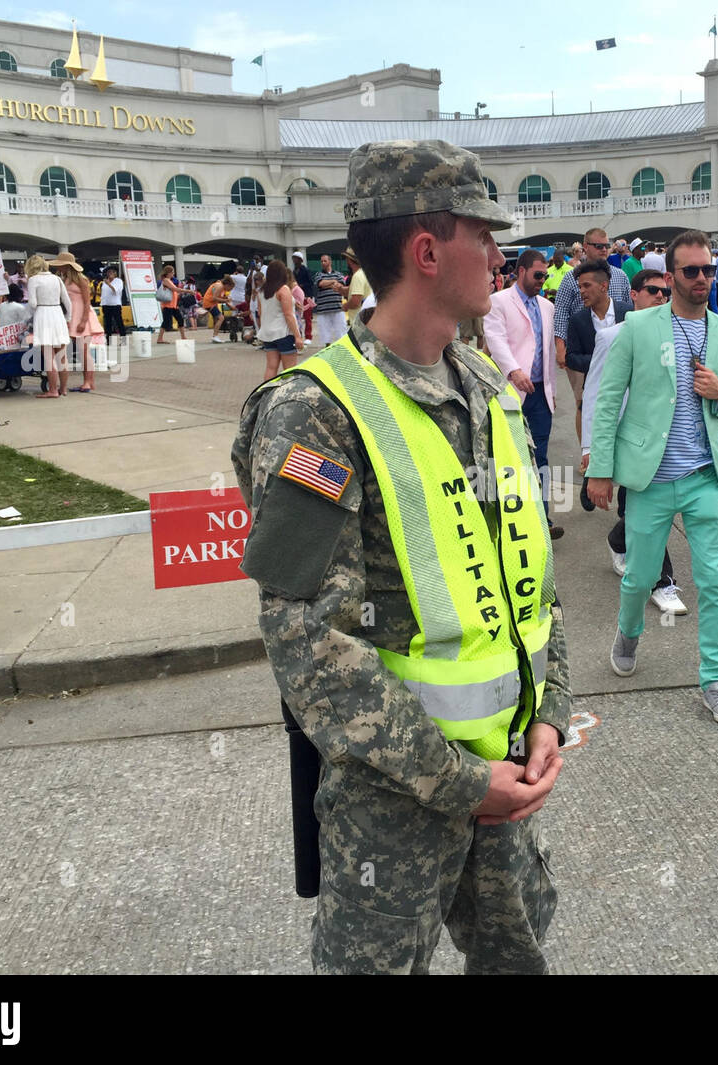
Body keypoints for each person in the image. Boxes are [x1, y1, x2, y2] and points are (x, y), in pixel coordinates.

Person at [232, 138, 569, 976]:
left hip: (509, 773)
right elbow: (309, 644)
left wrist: (551, 711)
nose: (500, 254)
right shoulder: (316, 412)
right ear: (426, 250)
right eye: (482, 234)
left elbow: (531, 585)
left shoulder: (487, 387)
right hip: (395, 806)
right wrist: (461, 782)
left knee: (516, 958)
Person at [586, 230, 718, 725]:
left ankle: (715, 679)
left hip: (704, 475)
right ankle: (629, 630)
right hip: (650, 478)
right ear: (672, 276)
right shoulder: (637, 328)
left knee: (713, 579)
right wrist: (600, 469)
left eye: (708, 270)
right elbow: (607, 400)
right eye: (691, 271)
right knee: (638, 578)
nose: (702, 278)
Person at [580, 267, 688, 616]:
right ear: (635, 296)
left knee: (651, 511)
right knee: (650, 513)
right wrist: (590, 450)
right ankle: (662, 582)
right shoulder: (613, 336)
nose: (660, 297)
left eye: (664, 293)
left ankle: (618, 540)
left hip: (666, 442)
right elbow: (595, 395)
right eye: (652, 291)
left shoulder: (676, 334)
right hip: (626, 441)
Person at [483, 248, 564, 539]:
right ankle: (508, 519)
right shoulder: (498, 302)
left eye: (545, 275)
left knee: (539, 456)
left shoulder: (547, 307)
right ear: (521, 272)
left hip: (541, 394)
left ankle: (543, 520)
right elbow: (495, 339)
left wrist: (552, 390)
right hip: (510, 391)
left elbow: (549, 351)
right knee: (508, 457)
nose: (542, 279)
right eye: (537, 274)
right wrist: (513, 371)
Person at [565, 260, 632, 450]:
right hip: (596, 394)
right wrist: (600, 359)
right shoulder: (578, 320)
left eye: (587, 285)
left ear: (604, 286)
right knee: (597, 450)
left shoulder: (627, 313)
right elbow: (571, 357)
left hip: (629, 394)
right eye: (579, 287)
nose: (582, 291)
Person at [50, 251, 104, 392]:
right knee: (80, 351)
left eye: (61, 265)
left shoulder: (81, 279)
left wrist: (83, 320)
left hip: (82, 317)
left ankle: (88, 381)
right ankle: (87, 382)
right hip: (71, 317)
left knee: (84, 351)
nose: (59, 268)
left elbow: (87, 302)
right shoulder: (64, 279)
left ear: (68, 266)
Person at [24, 254, 71, 398]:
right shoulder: (56, 279)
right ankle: (63, 389)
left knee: (49, 357)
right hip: (58, 314)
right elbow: (67, 301)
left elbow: (32, 303)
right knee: (62, 357)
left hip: (43, 315)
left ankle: (52, 390)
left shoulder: (33, 280)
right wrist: (68, 318)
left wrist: (28, 317)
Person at [253, 259, 304, 381]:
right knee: (289, 370)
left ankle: (267, 393)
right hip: (284, 333)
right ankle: (288, 395)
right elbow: (288, 315)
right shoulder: (283, 289)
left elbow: (260, 313)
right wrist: (297, 336)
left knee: (271, 368)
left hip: (268, 334)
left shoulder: (261, 291)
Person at [311, 253, 347, 347]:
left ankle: (342, 350)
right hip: (323, 309)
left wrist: (331, 284)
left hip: (338, 309)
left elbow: (341, 286)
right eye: (321, 261)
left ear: (330, 262)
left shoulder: (339, 274)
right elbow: (321, 284)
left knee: (341, 332)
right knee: (325, 334)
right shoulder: (318, 274)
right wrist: (334, 281)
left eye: (325, 261)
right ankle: (327, 349)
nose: (323, 263)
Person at [153, 264, 187, 346]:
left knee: (180, 319)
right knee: (166, 322)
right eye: (172, 272)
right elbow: (175, 289)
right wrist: (189, 291)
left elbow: (175, 291)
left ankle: (183, 337)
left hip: (173, 305)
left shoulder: (169, 280)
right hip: (167, 305)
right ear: (168, 273)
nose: (173, 274)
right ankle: (160, 339)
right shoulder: (166, 280)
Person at [342, 247, 370, 325]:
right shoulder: (365, 273)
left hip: (358, 323)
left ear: (349, 260)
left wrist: (345, 306)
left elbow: (355, 302)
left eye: (346, 258)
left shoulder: (357, 276)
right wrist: (341, 289)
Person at [205, 275, 234, 343]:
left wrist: (225, 300)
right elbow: (214, 298)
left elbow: (218, 297)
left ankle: (215, 336)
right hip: (209, 303)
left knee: (217, 318)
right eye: (230, 288)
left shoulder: (222, 287)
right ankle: (215, 336)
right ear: (227, 284)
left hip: (212, 303)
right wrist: (225, 301)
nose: (229, 290)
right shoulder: (220, 286)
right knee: (221, 318)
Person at [99, 266, 126, 339]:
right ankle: (108, 340)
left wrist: (109, 284)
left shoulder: (118, 281)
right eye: (108, 272)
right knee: (107, 324)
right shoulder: (105, 282)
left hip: (115, 305)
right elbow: (104, 293)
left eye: (111, 272)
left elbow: (116, 291)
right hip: (106, 305)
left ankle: (123, 340)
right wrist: (102, 303)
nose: (110, 274)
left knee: (119, 323)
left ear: (115, 273)